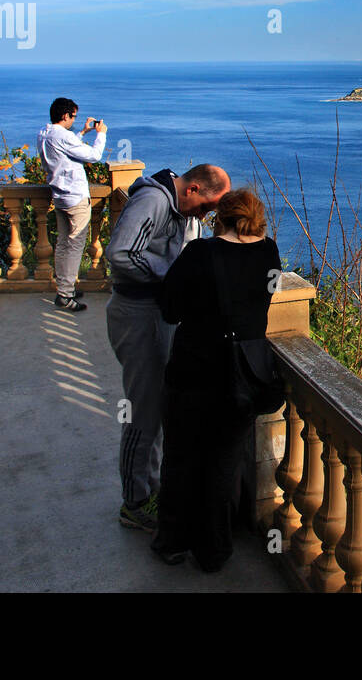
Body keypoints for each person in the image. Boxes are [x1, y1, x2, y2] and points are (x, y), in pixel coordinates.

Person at [151, 187, 280, 571]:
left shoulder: (199, 254)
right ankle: (214, 550)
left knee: (181, 459)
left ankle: (173, 542)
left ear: (218, 218)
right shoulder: (268, 252)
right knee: (222, 465)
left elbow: (170, 309)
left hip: (194, 370)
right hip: (242, 376)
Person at [105, 164, 229, 532]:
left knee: (160, 406)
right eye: (205, 207)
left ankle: (151, 490)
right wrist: (171, 273)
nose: (205, 216)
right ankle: (134, 502)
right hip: (137, 312)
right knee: (143, 410)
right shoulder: (153, 202)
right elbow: (120, 253)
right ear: (191, 189)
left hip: (158, 312)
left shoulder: (179, 209)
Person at [37, 98, 106, 312]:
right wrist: (101, 133)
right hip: (75, 197)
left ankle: (64, 288)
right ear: (66, 115)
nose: (74, 120)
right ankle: (66, 295)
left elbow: (66, 147)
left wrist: (83, 133)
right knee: (74, 245)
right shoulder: (63, 136)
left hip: (59, 196)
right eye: (74, 116)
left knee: (63, 245)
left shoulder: (44, 133)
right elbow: (94, 156)